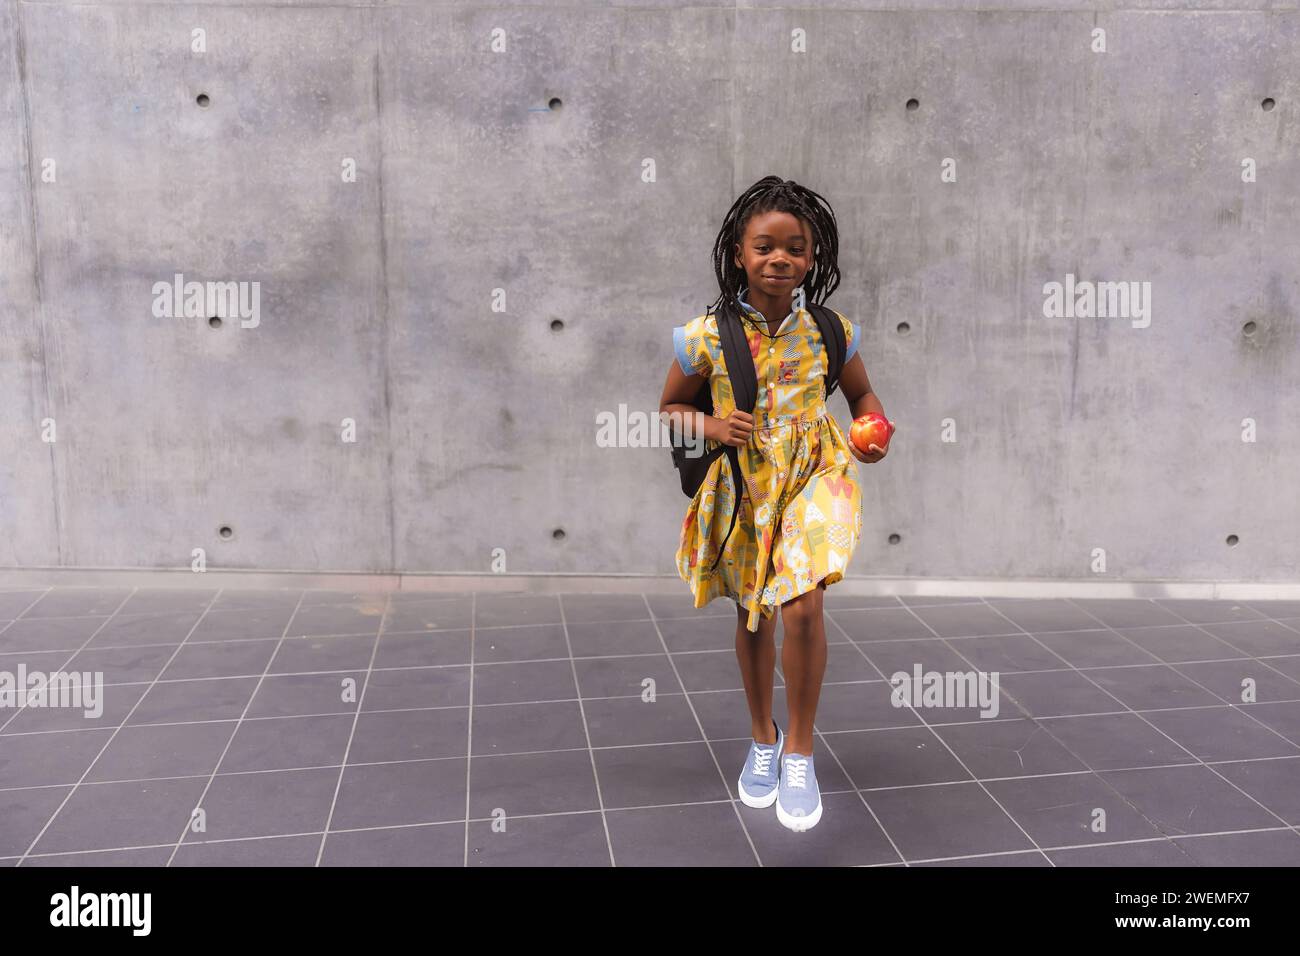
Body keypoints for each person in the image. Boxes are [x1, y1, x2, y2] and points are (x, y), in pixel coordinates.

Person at [658, 176, 892, 832]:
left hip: (815, 475)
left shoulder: (831, 331)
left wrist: (872, 433)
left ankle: (799, 749)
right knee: (755, 617)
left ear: (812, 258)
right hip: (746, 487)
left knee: (805, 605)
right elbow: (670, 408)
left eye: (795, 247)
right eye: (765, 246)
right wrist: (710, 427)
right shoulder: (705, 335)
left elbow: (863, 399)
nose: (779, 258)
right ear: (740, 253)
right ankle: (762, 738)